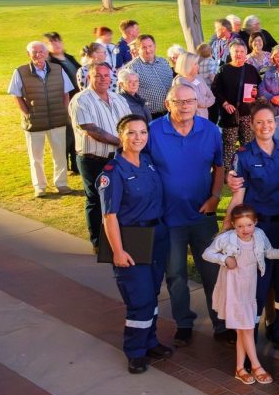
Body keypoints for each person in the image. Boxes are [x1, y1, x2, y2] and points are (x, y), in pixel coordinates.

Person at [148, 84, 227, 347]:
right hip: (168, 217)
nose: (184, 107)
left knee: (212, 272)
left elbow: (219, 166)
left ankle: (220, 322)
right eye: (178, 102)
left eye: (190, 101)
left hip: (202, 215)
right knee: (176, 273)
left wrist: (216, 196)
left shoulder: (210, 130)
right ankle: (183, 322)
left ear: (197, 103)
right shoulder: (154, 131)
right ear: (168, 103)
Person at [98, 115, 173, 373]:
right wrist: (118, 251)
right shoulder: (113, 172)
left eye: (142, 132)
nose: (138, 137)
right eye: (131, 133)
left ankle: (150, 341)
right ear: (121, 136)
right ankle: (135, 350)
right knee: (139, 298)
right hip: (131, 240)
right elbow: (109, 215)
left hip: (156, 237)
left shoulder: (148, 162)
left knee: (151, 294)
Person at [225, 103, 279, 348]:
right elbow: (238, 197)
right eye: (259, 122)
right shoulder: (244, 155)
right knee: (256, 285)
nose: (265, 126)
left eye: (269, 122)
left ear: (275, 124)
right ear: (251, 124)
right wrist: (227, 228)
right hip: (257, 231)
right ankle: (248, 343)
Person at [203, 204, 279, 385]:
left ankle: (240, 368)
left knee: (243, 330)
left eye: (248, 225)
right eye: (240, 226)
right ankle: (256, 366)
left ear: (255, 222)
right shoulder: (227, 238)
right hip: (233, 289)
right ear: (233, 225)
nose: (245, 230)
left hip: (249, 289)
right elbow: (207, 253)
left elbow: (269, 253)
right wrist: (225, 259)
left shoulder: (259, 235)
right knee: (246, 328)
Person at [70, 63, 132, 251]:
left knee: (120, 198)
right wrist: (121, 142)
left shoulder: (117, 98)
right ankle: (98, 241)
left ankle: (118, 237)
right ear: (89, 77)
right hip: (93, 159)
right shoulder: (81, 100)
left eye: (107, 75)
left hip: (118, 158)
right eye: (98, 76)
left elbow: (129, 122)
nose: (103, 79)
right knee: (97, 199)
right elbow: (91, 129)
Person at [9, 40, 75, 198]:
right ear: (28, 54)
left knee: (59, 154)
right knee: (36, 157)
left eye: (41, 51)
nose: (38, 54)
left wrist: (64, 111)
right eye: (34, 52)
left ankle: (61, 184)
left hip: (57, 120)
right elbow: (16, 96)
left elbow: (66, 93)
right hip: (34, 122)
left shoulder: (58, 69)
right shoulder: (20, 71)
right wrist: (27, 114)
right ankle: (40, 187)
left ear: (46, 53)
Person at [211, 41, 262, 171]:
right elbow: (215, 89)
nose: (239, 54)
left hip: (247, 113)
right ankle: (226, 171)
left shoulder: (251, 70)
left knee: (248, 142)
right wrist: (225, 103)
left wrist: (256, 93)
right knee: (229, 144)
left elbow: (258, 88)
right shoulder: (224, 70)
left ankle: (248, 168)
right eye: (236, 52)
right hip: (230, 114)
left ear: (246, 53)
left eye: (241, 52)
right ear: (230, 53)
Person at [125, 35, 173, 118]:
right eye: (144, 47)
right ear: (137, 49)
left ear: (155, 46)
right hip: (151, 116)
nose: (148, 50)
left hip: (171, 112)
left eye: (150, 46)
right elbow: (126, 94)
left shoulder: (163, 62)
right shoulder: (132, 67)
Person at [172, 52, 215, 119]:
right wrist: (206, 101)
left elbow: (211, 96)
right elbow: (199, 102)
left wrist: (204, 101)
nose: (198, 66)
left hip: (204, 118)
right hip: (190, 121)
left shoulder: (198, 77)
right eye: (195, 64)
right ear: (187, 66)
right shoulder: (180, 81)